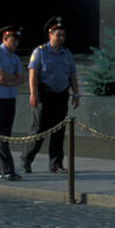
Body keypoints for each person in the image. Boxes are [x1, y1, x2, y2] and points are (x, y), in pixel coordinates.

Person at [21, 16, 80, 174]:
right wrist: (33, 93)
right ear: (50, 35)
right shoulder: (40, 52)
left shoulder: (67, 54)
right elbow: (33, 74)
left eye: (63, 35)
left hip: (61, 96)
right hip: (44, 96)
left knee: (58, 132)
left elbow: (73, 75)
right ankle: (26, 160)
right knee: (38, 129)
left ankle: (56, 164)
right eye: (58, 35)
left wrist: (76, 94)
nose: (61, 38)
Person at [0, 26, 24, 181]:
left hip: (9, 97)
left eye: (17, 41)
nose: (15, 43)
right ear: (4, 39)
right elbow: (0, 75)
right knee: (1, 135)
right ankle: (7, 170)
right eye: (12, 40)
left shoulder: (14, 57)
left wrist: (8, 82)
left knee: (4, 135)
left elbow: (21, 78)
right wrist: (10, 80)